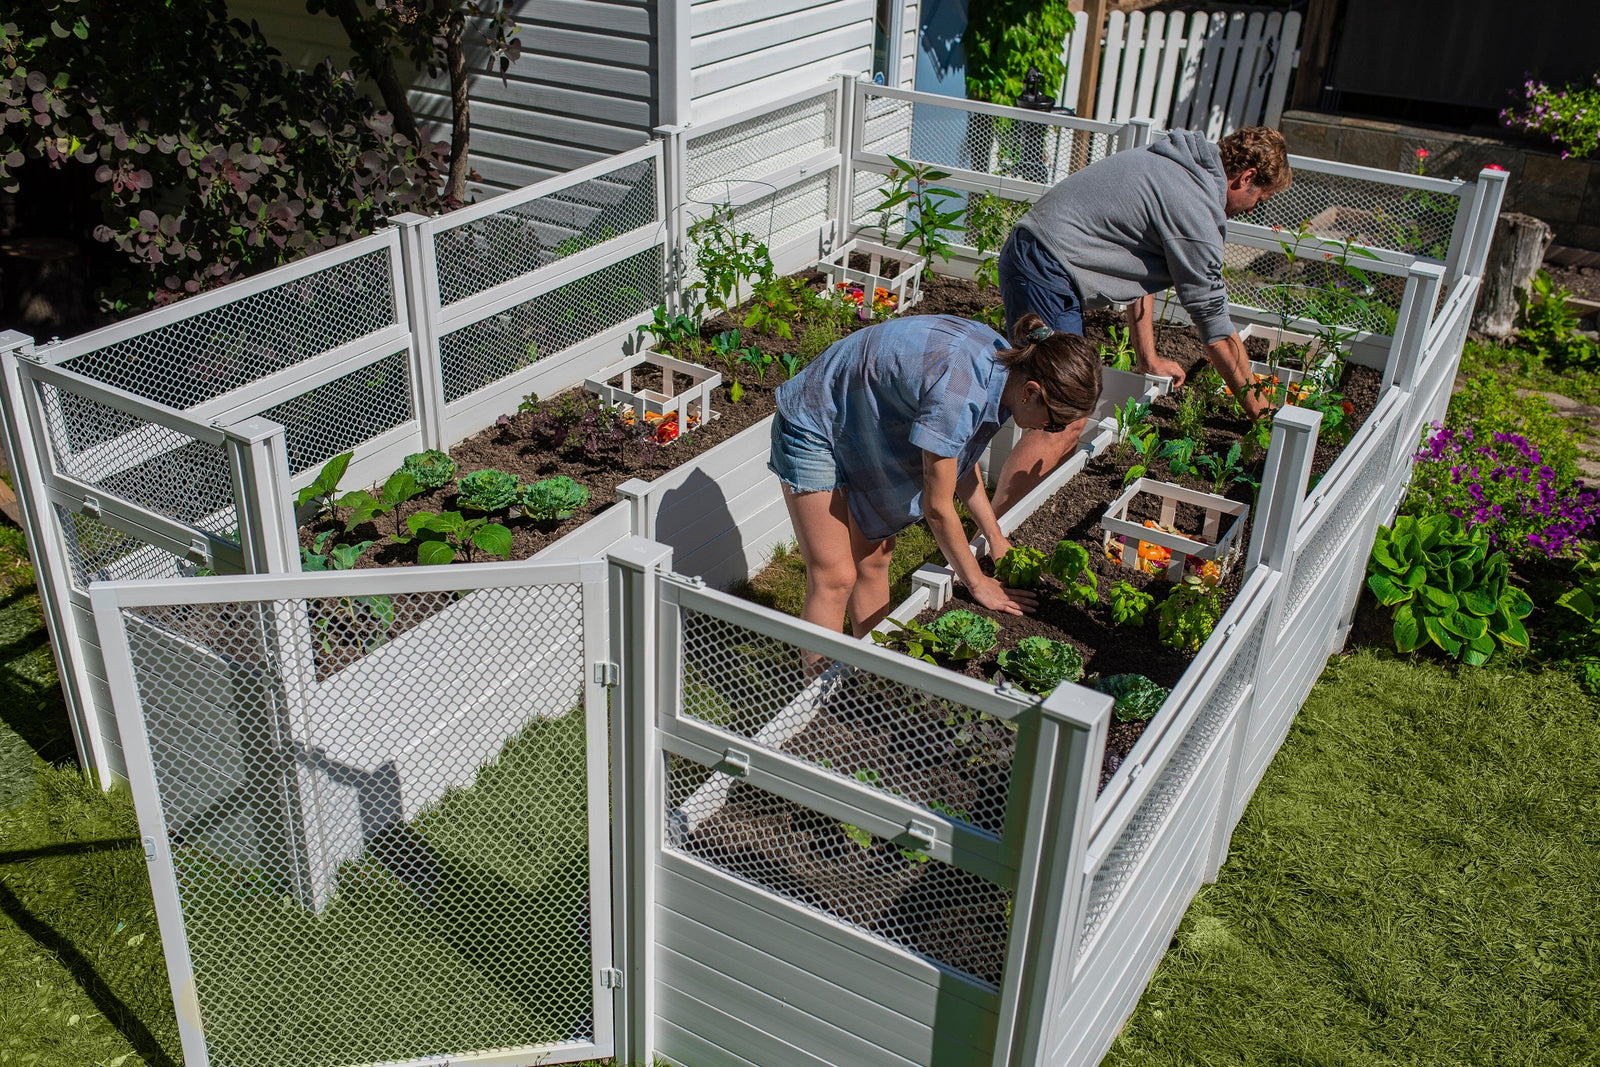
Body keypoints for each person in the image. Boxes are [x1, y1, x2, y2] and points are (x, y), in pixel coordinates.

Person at [990, 125, 1293, 514]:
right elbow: (1215, 328)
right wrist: (1262, 417)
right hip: (1047, 270)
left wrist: (1146, 356)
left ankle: (973, 498)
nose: (1253, 209)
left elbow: (1137, 265)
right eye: (1260, 199)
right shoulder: (1196, 205)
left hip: (1036, 256)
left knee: (1029, 388)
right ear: (1246, 177)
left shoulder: (1178, 166)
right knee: (1064, 413)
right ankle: (991, 541)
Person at [769, 312, 1101, 637]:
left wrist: (995, 536)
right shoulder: (961, 391)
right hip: (812, 419)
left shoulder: (1003, 370)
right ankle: (821, 690)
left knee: (875, 556)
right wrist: (977, 583)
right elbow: (938, 509)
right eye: (1055, 421)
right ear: (1030, 392)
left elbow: (957, 459)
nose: (1051, 430)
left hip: (855, 415)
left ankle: (868, 672)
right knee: (834, 576)